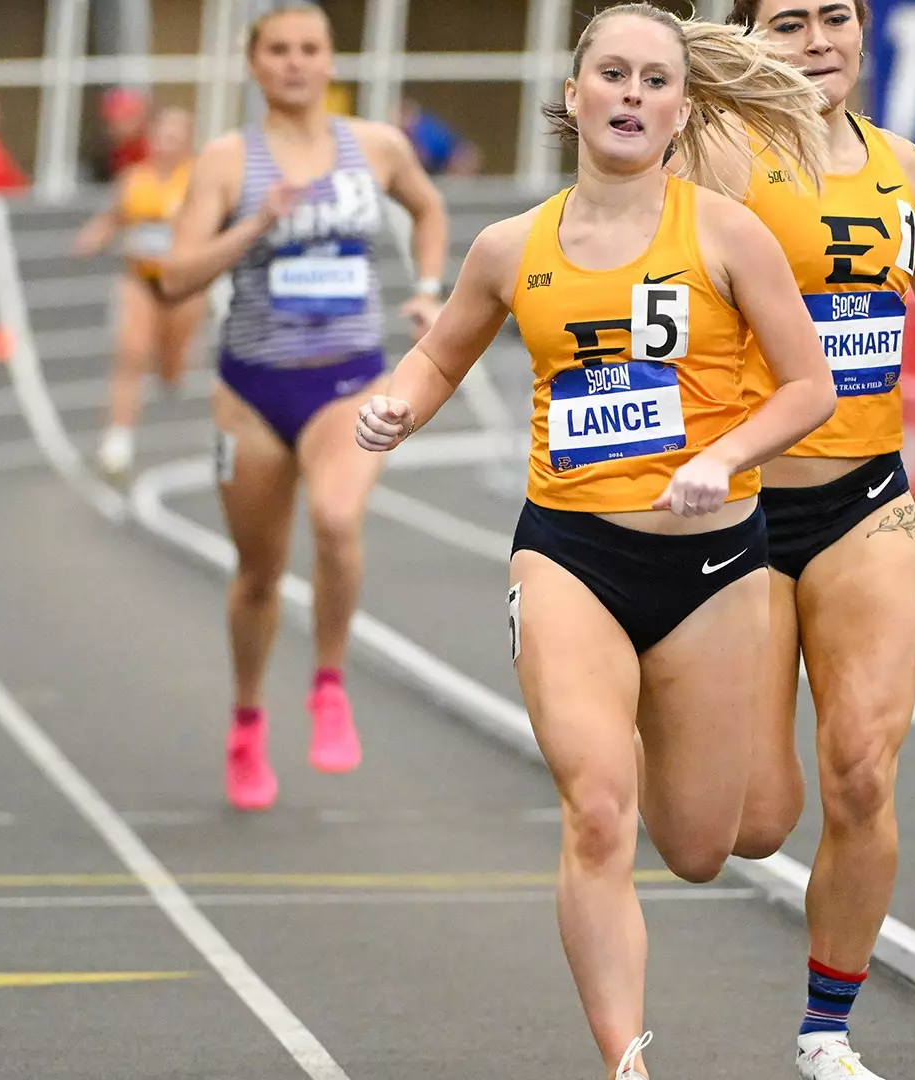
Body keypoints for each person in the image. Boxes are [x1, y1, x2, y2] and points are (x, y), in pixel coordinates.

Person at [355, 7, 836, 1076]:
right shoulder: (507, 247)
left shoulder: (724, 232)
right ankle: (626, 1057)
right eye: (609, 74)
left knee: (704, 846)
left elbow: (810, 386)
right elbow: (437, 358)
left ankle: (717, 721)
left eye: (653, 80)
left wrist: (725, 457)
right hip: (568, 553)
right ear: (571, 98)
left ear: (680, 110)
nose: (629, 94)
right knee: (596, 809)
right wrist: (396, 404)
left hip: (710, 563)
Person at [664, 4, 915, 1077]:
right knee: (756, 822)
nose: (817, 41)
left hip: (867, 500)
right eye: (788, 22)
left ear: (864, 35)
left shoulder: (900, 164)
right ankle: (657, 711)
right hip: (745, 509)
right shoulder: (719, 150)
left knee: (861, 769)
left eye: (835, 19)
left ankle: (826, 1031)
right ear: (747, 37)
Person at [157, 0, 449, 811]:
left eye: (309, 48)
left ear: (330, 60)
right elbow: (175, 278)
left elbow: (428, 207)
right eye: (278, 49)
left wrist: (427, 289)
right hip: (251, 390)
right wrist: (256, 223)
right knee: (257, 573)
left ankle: (328, 683)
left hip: (348, 380)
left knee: (334, 519)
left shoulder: (375, 147)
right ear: (254, 64)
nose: (293, 62)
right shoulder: (225, 161)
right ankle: (247, 721)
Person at [73, 106, 207, 481]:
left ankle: (173, 366)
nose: (167, 144)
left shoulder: (198, 181)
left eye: (176, 137)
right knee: (131, 355)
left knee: (170, 369)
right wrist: (94, 235)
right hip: (140, 280)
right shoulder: (134, 179)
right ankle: (117, 440)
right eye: (162, 135)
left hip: (183, 286)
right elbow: (115, 217)